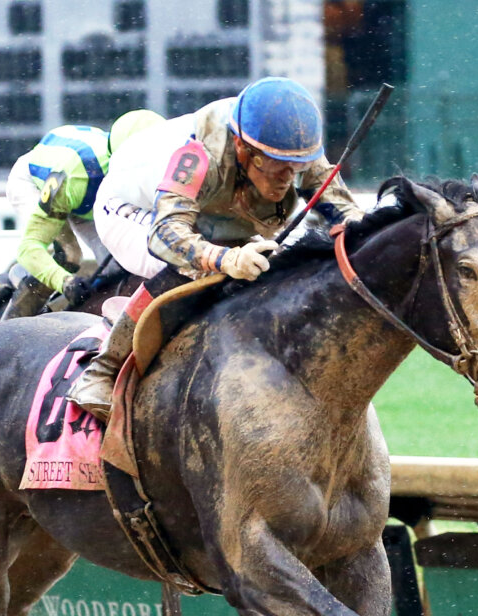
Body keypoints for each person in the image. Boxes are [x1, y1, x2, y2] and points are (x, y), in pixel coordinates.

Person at [69, 77, 363, 419]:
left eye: (296, 168)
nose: (288, 178)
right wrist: (225, 258)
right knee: (188, 267)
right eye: (276, 167)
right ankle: (103, 372)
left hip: (209, 212)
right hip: (135, 210)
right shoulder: (196, 156)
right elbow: (166, 235)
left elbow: (342, 209)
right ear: (242, 147)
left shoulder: (290, 148)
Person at [3, 108, 164, 319]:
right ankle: (12, 323)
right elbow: (29, 247)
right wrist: (65, 282)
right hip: (35, 182)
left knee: (119, 265)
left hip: (89, 195)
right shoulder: (73, 179)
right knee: (70, 256)